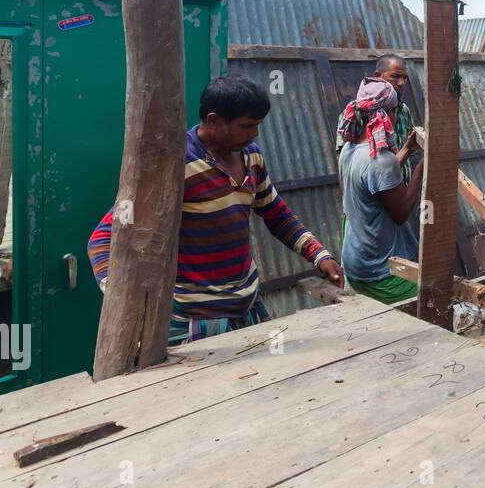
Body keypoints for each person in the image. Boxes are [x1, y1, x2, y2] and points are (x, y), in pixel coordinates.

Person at [88, 75, 345, 345]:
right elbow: (103, 237)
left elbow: (276, 214)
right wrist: (119, 296)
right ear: (213, 121)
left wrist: (319, 255)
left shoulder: (252, 157)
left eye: (258, 125)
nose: (254, 133)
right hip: (192, 321)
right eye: (246, 126)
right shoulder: (175, 166)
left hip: (247, 308)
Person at [337, 77, 424, 303]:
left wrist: (407, 149)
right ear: (385, 116)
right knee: (429, 303)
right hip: (379, 269)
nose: (397, 116)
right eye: (394, 111)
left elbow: (376, 180)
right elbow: (401, 213)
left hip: (355, 261)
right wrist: (421, 169)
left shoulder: (349, 148)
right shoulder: (382, 160)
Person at [340, 53, 418, 184]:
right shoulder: (354, 113)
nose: (401, 83)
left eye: (405, 78)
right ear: (377, 77)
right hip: (374, 194)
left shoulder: (404, 110)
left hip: (402, 190)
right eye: (395, 76)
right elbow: (345, 164)